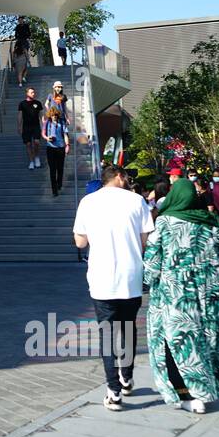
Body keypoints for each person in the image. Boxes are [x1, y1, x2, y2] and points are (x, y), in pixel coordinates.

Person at [143, 178, 219, 414]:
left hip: (176, 296)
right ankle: (208, 387)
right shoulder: (212, 221)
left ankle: (188, 395)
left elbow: (152, 264)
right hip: (212, 295)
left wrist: (146, 280)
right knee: (208, 340)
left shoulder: (164, 223)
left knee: (177, 342)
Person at [72, 165, 155, 412]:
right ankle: (126, 377)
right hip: (131, 277)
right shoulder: (137, 201)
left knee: (107, 335)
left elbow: (80, 242)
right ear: (118, 177)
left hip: (101, 278)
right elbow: (144, 241)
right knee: (128, 328)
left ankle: (113, 391)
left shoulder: (88, 202)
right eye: (126, 177)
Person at [42, 106, 69, 196]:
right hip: (50, 148)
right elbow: (43, 133)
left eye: (56, 115)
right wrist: (47, 138)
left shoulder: (62, 123)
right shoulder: (47, 123)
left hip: (60, 147)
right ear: (50, 115)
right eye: (53, 115)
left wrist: (67, 145)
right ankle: (54, 190)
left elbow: (65, 135)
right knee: (52, 169)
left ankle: (59, 183)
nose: (54, 117)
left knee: (60, 168)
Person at [17, 87, 44, 169]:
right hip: (26, 127)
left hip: (36, 126)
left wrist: (43, 126)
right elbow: (20, 116)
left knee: (37, 142)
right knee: (28, 144)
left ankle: (37, 158)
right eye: (31, 92)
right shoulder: (22, 104)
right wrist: (19, 127)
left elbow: (41, 115)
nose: (33, 94)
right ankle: (31, 161)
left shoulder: (38, 103)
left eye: (34, 92)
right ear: (27, 93)